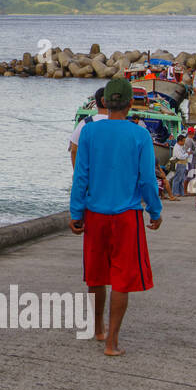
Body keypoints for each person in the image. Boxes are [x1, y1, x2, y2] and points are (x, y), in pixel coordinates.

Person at [69, 77, 163, 357]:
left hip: (94, 213)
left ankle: (97, 328)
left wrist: (76, 212)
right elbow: (147, 179)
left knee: (96, 275)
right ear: (130, 103)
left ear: (106, 102)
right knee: (122, 279)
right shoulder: (140, 135)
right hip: (127, 216)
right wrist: (155, 211)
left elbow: (80, 176)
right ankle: (112, 342)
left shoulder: (88, 132)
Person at [69, 87, 108, 168]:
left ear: (96, 103)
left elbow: (73, 150)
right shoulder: (120, 124)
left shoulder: (85, 123)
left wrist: (76, 172)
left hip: (90, 171)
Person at [170, 132, 191, 198]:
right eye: (184, 141)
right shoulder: (177, 147)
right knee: (177, 178)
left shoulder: (181, 146)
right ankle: (175, 192)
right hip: (179, 164)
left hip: (183, 164)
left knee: (182, 179)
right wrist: (187, 154)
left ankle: (181, 192)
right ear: (180, 141)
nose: (184, 142)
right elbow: (180, 156)